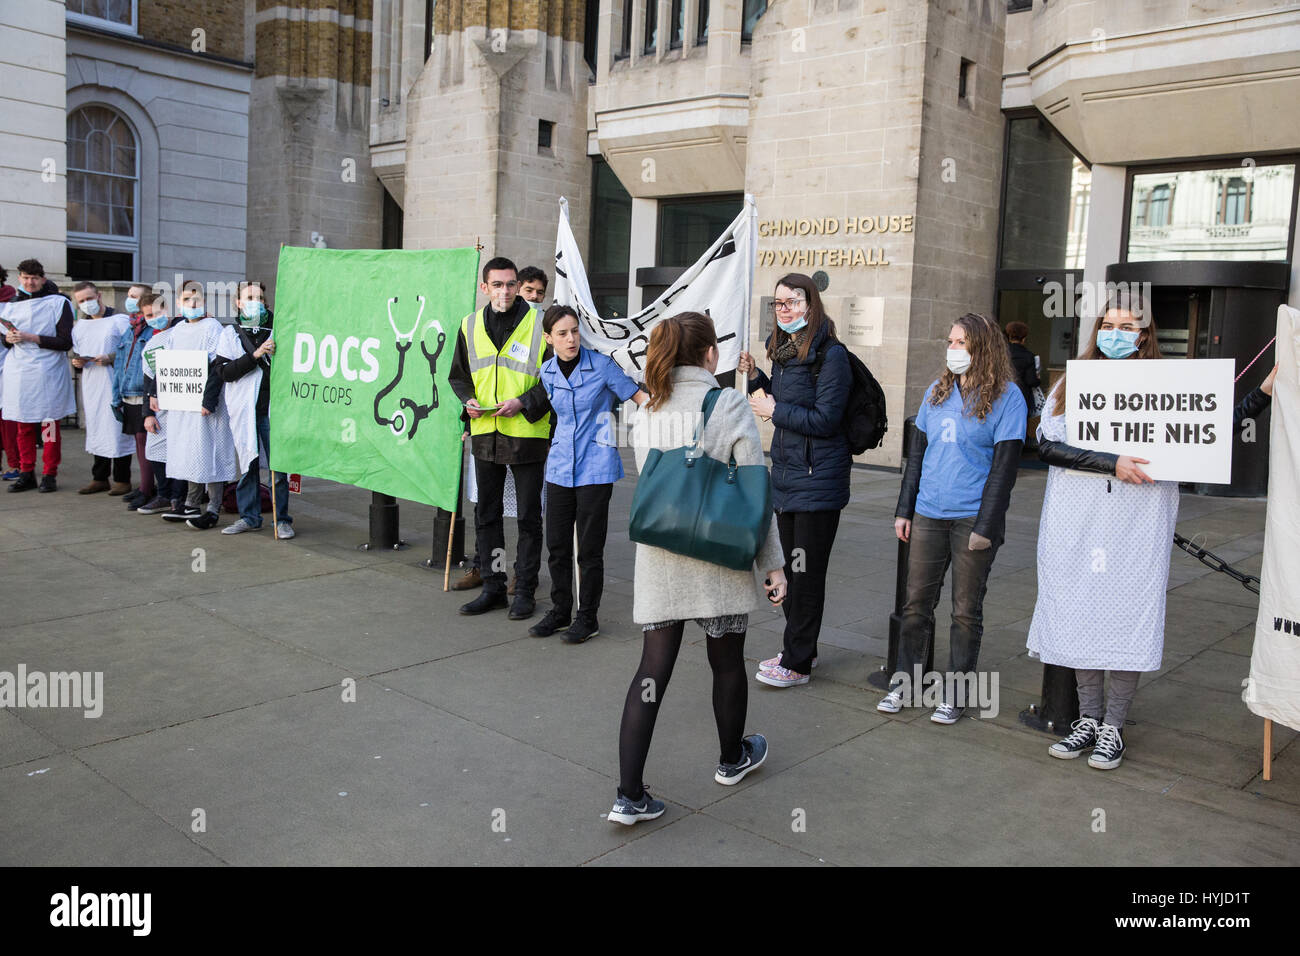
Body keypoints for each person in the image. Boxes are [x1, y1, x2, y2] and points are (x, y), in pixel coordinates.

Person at [609, 312, 787, 825]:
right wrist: (773, 567)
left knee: (651, 672)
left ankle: (628, 795)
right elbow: (756, 494)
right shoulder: (729, 403)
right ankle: (732, 759)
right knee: (727, 663)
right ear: (710, 354)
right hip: (718, 555)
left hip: (661, 557)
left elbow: (656, 481)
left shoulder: (649, 407)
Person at [1027, 291, 1173, 769]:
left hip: (1135, 522)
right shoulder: (1072, 382)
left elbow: (1205, 439)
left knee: (1127, 615)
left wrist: (1261, 395)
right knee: (1081, 613)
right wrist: (1112, 462)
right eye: (1107, 325)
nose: (1115, 334)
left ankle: (1114, 726)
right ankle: (1088, 718)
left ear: (1146, 334)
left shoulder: (1167, 385)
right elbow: (1048, 446)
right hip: (1078, 520)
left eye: (1127, 327)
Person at [881, 312, 1027, 722]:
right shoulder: (937, 391)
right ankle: (905, 685)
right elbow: (916, 458)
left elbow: (1005, 469)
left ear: (982, 347)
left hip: (971, 520)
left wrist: (986, 527)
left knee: (965, 611)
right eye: (950, 342)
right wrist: (903, 510)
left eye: (961, 343)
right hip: (928, 512)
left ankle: (957, 694)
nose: (953, 350)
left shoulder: (1008, 397)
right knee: (915, 606)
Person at [737, 273, 853, 688]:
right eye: (778, 303)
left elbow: (825, 419)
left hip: (817, 481)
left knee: (805, 576)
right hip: (786, 478)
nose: (783, 309)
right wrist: (756, 379)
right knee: (786, 570)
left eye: (792, 302)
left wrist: (772, 409)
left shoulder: (831, 355)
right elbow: (784, 402)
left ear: (811, 304)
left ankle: (797, 663)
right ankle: (801, 649)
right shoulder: (784, 351)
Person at [529, 305, 648, 643]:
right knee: (556, 545)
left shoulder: (603, 366)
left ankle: (587, 617)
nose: (571, 339)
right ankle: (560, 611)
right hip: (559, 466)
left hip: (596, 467)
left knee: (590, 550)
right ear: (549, 338)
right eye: (563, 333)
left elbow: (641, 398)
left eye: (575, 331)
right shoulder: (548, 371)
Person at [447, 257, 553, 620]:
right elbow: (459, 376)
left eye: (510, 284)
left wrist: (524, 402)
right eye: (497, 285)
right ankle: (493, 587)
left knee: (528, 518)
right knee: (486, 515)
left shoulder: (541, 324)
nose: (504, 291)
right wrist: (467, 401)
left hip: (527, 435)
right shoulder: (469, 324)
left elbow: (554, 379)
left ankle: (524, 589)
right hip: (485, 434)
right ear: (485, 287)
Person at [213, 281, 293, 539]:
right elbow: (225, 373)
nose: (255, 301)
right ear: (238, 303)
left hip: (273, 411)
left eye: (259, 297)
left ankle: (282, 520)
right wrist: (256, 355)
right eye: (249, 297)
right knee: (248, 465)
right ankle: (249, 517)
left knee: (278, 468)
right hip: (244, 411)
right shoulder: (229, 334)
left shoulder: (279, 329)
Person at [159, 282, 241, 530]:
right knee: (189, 452)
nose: (192, 304)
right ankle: (191, 503)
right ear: (179, 303)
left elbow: (218, 365)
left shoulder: (212, 328)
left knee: (210, 453)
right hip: (182, 404)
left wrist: (208, 400)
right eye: (186, 300)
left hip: (205, 403)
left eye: (196, 300)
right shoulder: (176, 331)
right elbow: (169, 365)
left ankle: (213, 507)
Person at [1, 259, 76, 493]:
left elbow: (65, 342)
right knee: (22, 425)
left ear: (42, 279)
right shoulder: (10, 306)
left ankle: (49, 473)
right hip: (19, 372)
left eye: (34, 278)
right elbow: (4, 338)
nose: (30, 282)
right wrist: (8, 339)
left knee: (48, 426)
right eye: (25, 278)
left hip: (48, 371)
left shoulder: (58, 303)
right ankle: (26, 472)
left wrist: (34, 337)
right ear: (19, 279)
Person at [70, 281, 135, 495]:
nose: (87, 304)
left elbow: (132, 350)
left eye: (89, 298)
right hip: (91, 383)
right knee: (97, 427)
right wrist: (78, 362)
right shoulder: (79, 326)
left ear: (99, 296)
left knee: (116, 428)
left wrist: (111, 357)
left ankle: (122, 478)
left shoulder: (119, 321)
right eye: (82, 301)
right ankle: (99, 477)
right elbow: (77, 352)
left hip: (115, 381)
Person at [137, 293, 187, 516]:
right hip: (159, 407)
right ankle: (164, 494)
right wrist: (147, 413)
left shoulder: (183, 331)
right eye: (149, 315)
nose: (155, 318)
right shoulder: (150, 344)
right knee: (156, 450)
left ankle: (179, 497)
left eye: (158, 313)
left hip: (182, 403)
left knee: (180, 452)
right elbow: (148, 379)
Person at [109, 282, 153, 509]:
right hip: (128, 392)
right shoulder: (129, 329)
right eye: (128, 295)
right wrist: (116, 394)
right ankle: (146, 485)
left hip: (141, 392)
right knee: (138, 440)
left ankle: (148, 488)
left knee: (145, 440)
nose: (129, 299)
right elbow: (119, 364)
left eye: (134, 296)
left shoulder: (151, 328)